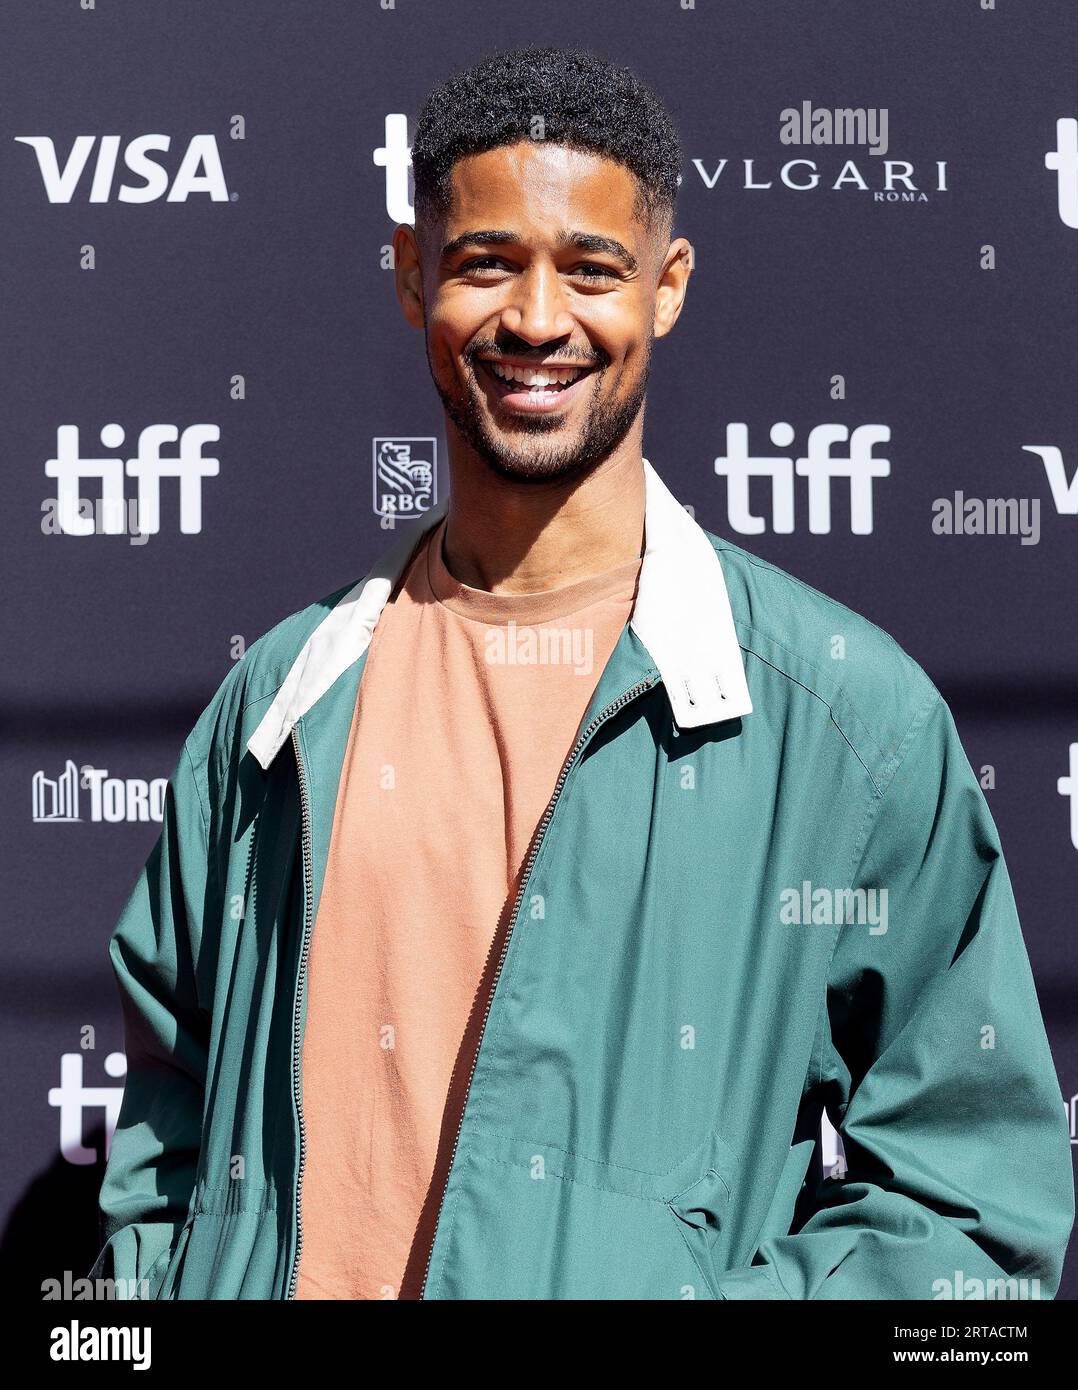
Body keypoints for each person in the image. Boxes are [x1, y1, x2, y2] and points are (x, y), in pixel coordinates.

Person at [89, 45, 1074, 1301]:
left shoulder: (842, 721)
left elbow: (971, 1214)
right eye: (487, 262)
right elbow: (166, 1133)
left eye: (591, 269)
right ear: (412, 276)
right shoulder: (281, 698)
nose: (537, 319)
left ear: (667, 288)